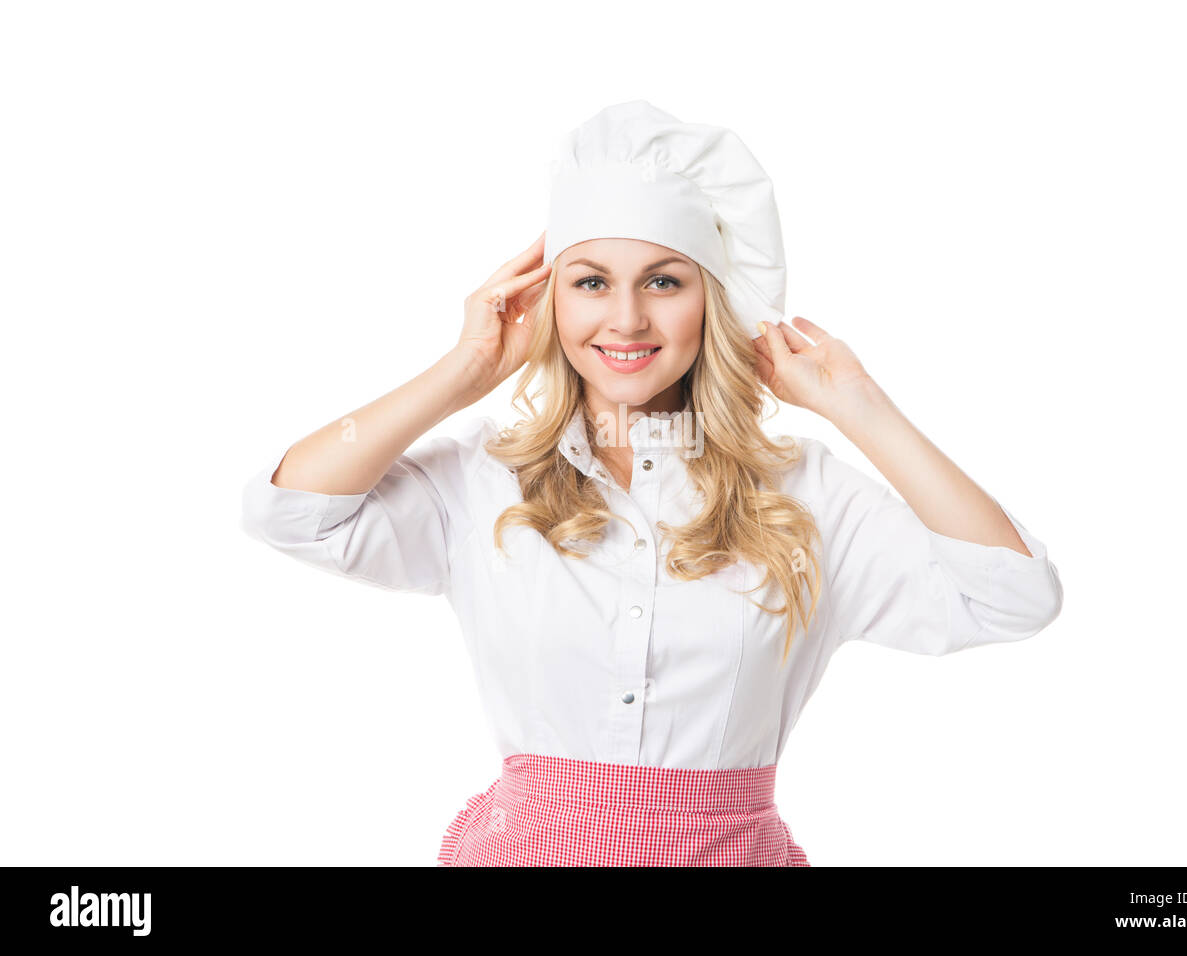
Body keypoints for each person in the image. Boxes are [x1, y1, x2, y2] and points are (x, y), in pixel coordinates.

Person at [240, 101, 1064, 867]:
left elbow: (1015, 594)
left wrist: (862, 410)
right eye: (590, 281)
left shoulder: (804, 497)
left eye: (664, 281)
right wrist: (464, 371)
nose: (626, 320)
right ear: (551, 301)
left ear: (713, 300)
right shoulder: (485, 479)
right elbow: (292, 511)